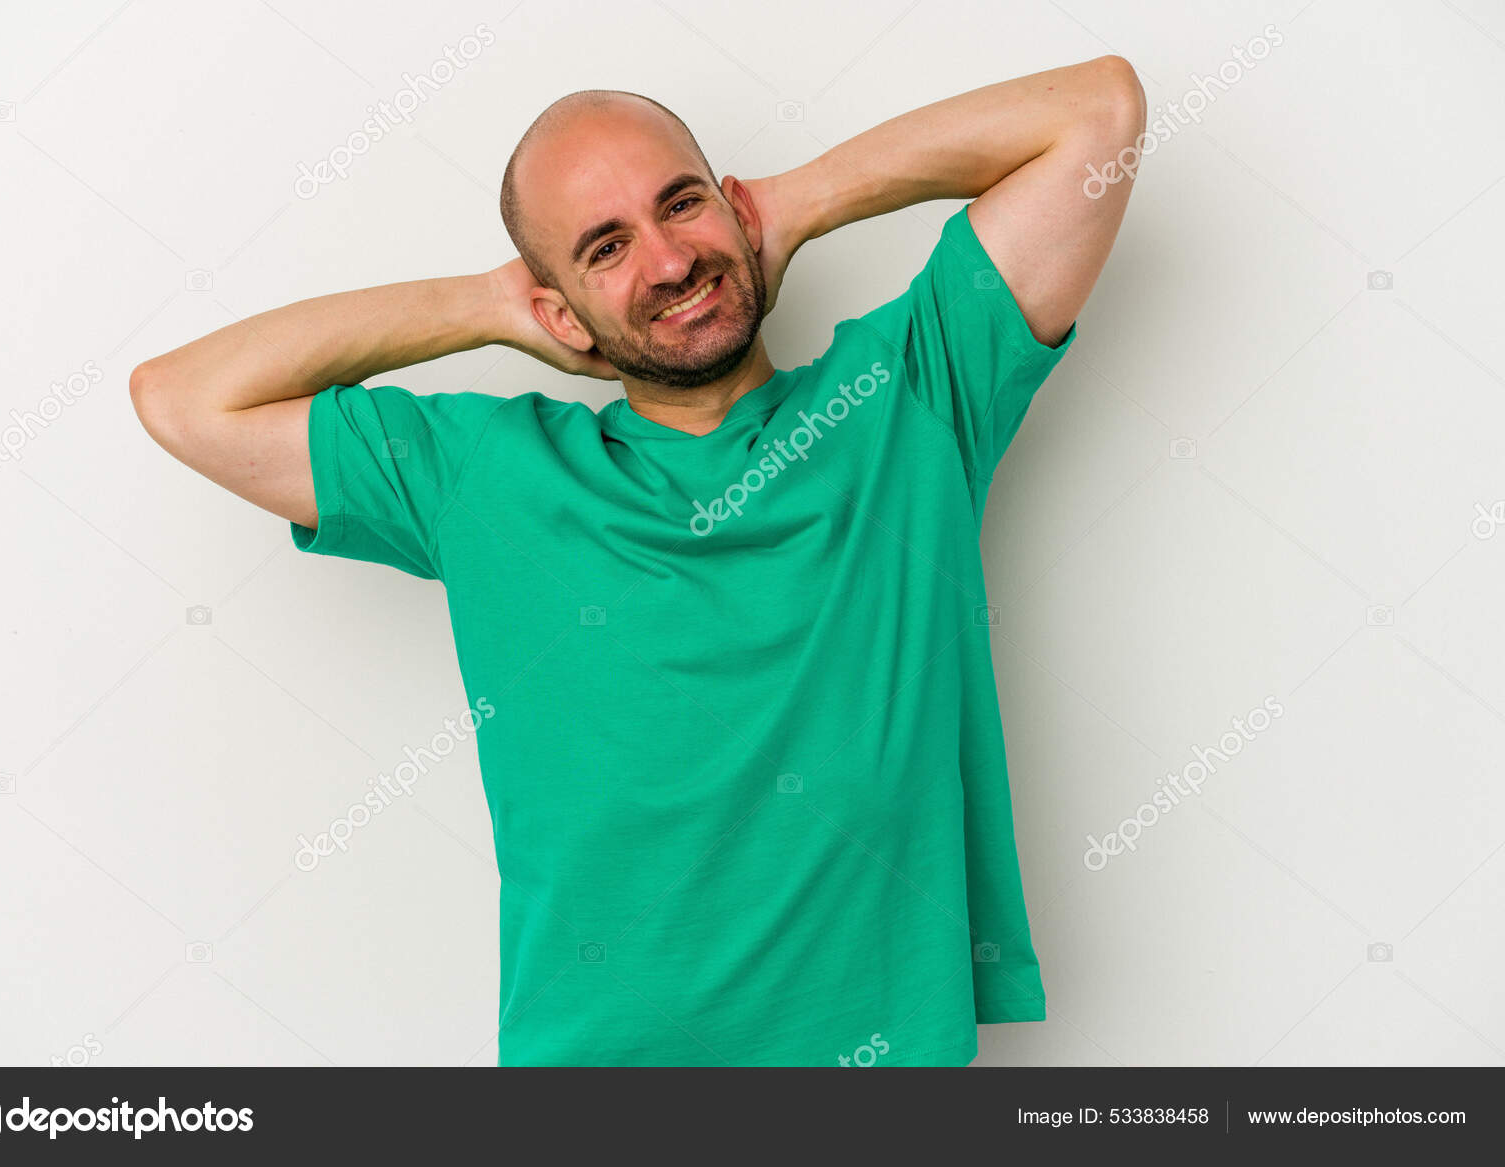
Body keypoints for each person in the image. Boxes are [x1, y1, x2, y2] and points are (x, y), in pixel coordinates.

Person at [130, 56, 1146, 1066]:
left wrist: (792, 203)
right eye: (606, 247)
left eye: (682, 204)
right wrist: (489, 305)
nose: (667, 263)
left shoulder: (909, 396)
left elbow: (1097, 114)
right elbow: (184, 399)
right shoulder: (483, 476)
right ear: (560, 311)